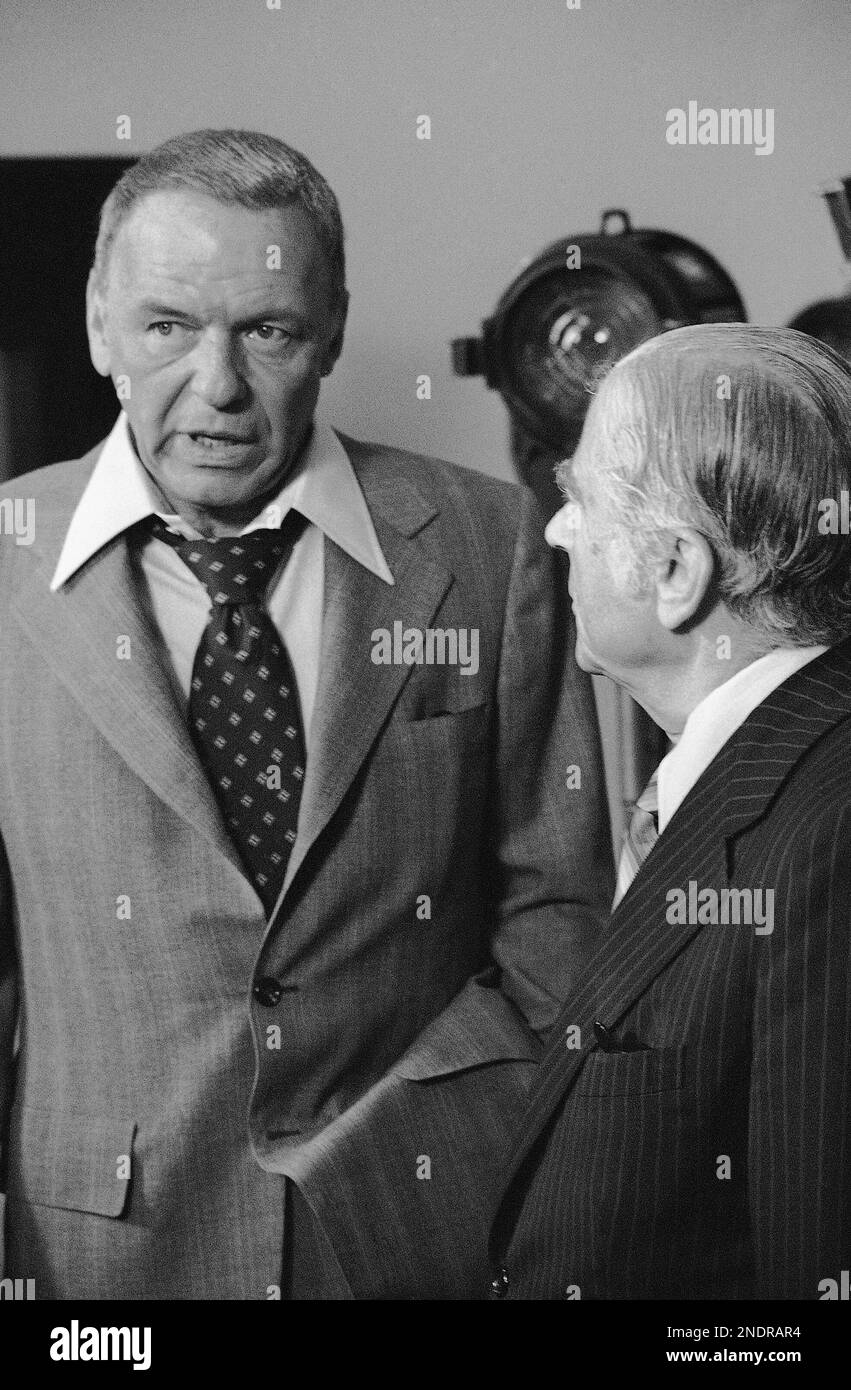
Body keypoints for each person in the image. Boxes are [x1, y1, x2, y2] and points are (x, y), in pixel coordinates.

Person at [0, 128, 612, 1300]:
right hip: (99, 1252)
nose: (217, 386)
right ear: (97, 325)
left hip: (421, 1223)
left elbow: (560, 903)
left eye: (267, 330)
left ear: (330, 325)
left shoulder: (487, 547)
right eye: (168, 327)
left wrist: (475, 1126)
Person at [488, 324, 851, 1300]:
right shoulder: (746, 773)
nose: (556, 529)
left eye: (579, 500)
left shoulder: (826, 834)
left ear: (675, 572)